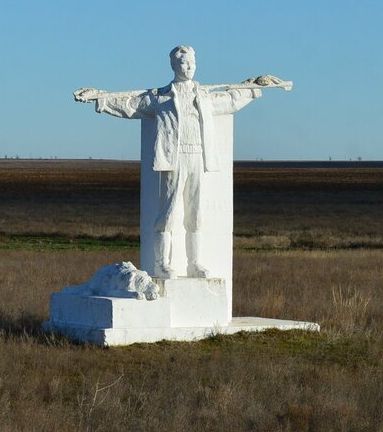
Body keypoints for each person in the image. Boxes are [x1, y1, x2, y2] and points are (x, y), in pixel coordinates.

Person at [75, 46, 261, 278]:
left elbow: (230, 100)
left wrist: (253, 88)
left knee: (196, 214)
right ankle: (162, 263)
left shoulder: (205, 95)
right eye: (184, 63)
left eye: (192, 62)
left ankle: (195, 263)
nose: (189, 67)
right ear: (173, 65)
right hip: (174, 158)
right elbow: (131, 105)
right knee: (169, 214)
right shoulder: (160, 97)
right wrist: (102, 99)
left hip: (197, 157)